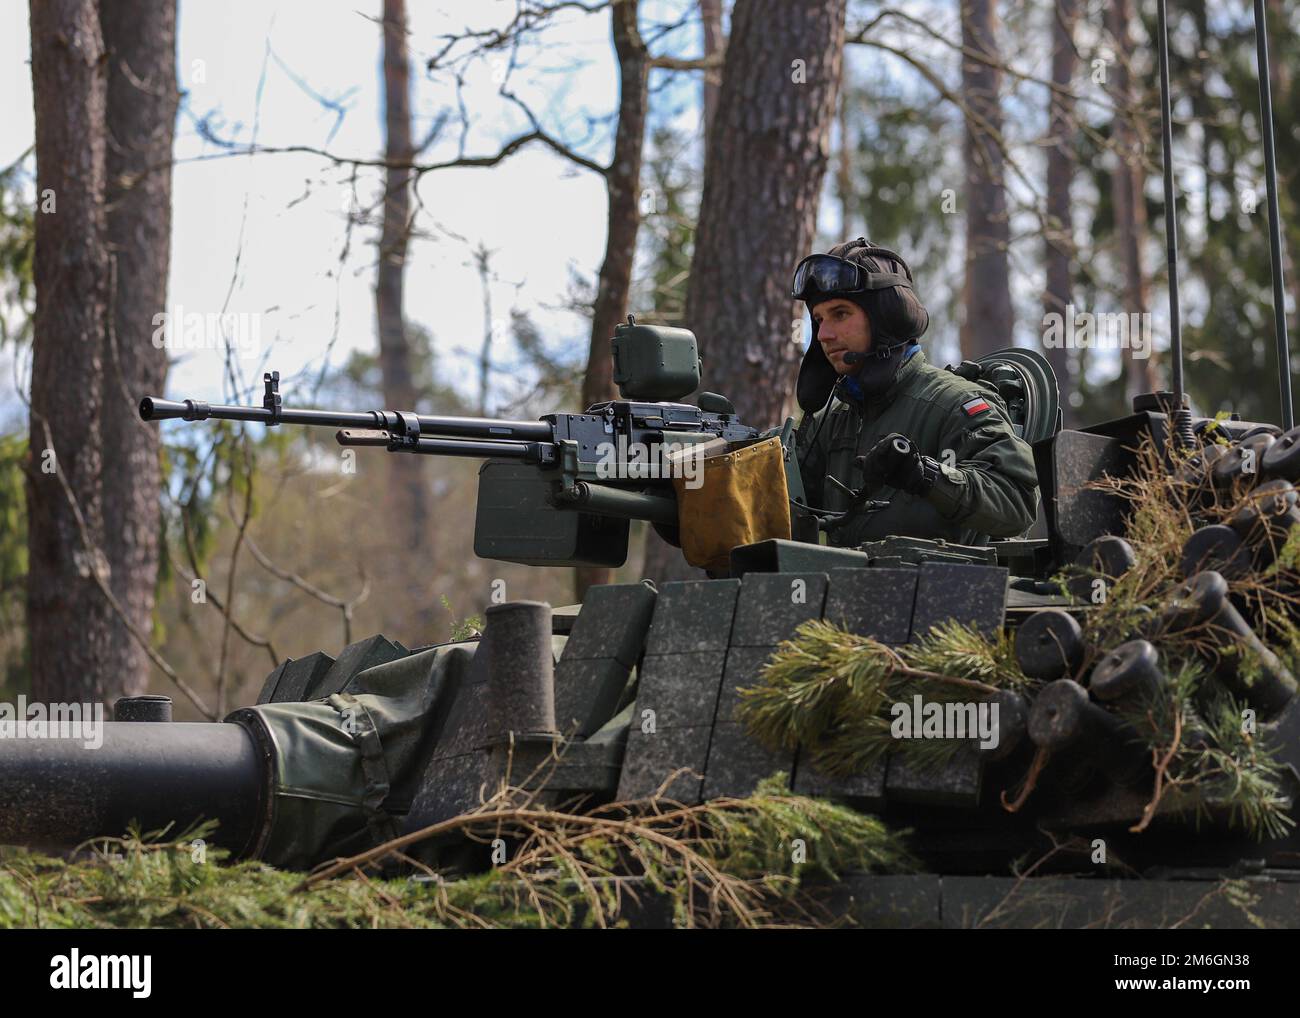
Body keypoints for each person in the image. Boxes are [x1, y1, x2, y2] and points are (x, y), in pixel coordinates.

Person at [792, 237, 1039, 547]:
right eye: (818, 320)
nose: (825, 335)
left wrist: (926, 476)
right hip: (846, 589)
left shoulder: (956, 403)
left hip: (946, 591)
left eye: (840, 314)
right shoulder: (835, 420)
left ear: (887, 317)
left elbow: (1017, 502)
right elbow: (782, 490)